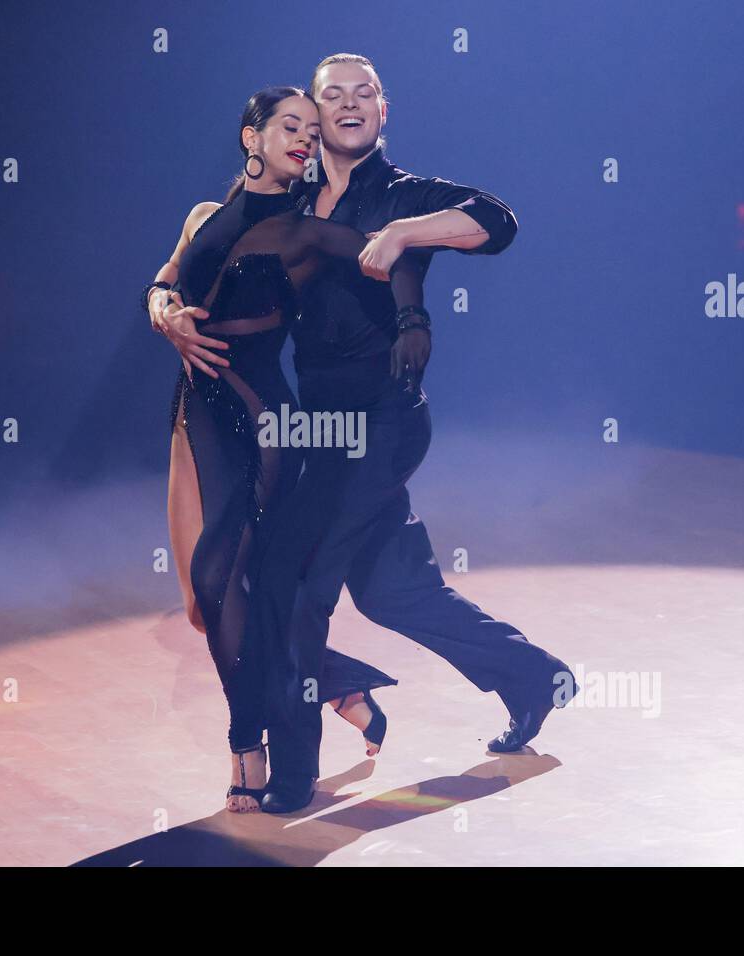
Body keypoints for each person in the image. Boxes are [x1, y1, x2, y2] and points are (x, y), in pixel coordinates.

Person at [240, 54, 581, 814]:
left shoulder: (405, 195)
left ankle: (293, 780)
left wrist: (402, 234)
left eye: (366, 94)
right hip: (320, 423)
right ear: (314, 114)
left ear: (383, 113)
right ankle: (534, 675)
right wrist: (163, 301)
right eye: (335, 95)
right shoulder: (289, 199)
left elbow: (499, 224)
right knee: (396, 593)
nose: (351, 104)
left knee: (298, 589)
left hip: (383, 422)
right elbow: (209, 250)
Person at [143, 85, 432, 812]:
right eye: (291, 127)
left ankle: (248, 746)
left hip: (262, 414)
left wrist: (413, 317)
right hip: (194, 411)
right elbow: (164, 278)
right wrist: (163, 313)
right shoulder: (204, 216)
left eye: (313, 129)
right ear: (253, 137)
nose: (306, 138)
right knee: (202, 604)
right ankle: (339, 683)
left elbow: (388, 255)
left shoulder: (302, 229)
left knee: (220, 576)